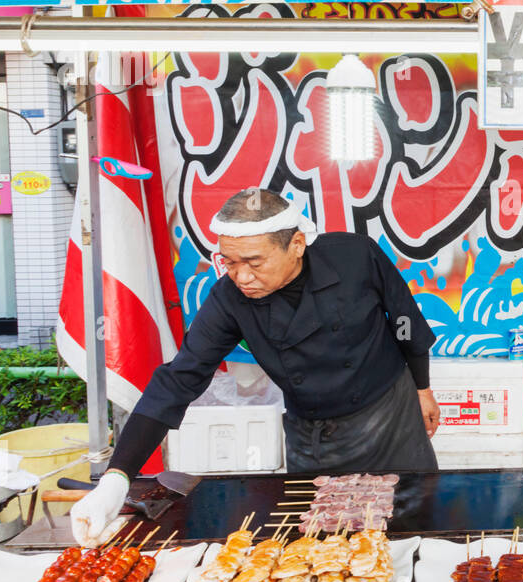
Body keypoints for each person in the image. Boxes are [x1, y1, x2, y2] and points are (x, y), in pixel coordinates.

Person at [70, 188, 440, 545]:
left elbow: (405, 320)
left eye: (254, 262)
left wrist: (422, 388)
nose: (242, 277)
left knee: (413, 527)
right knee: (320, 543)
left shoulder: (355, 255)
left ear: (296, 245)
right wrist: (115, 482)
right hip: (314, 434)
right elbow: (176, 381)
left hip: (390, 415)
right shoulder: (229, 300)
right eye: (230, 262)